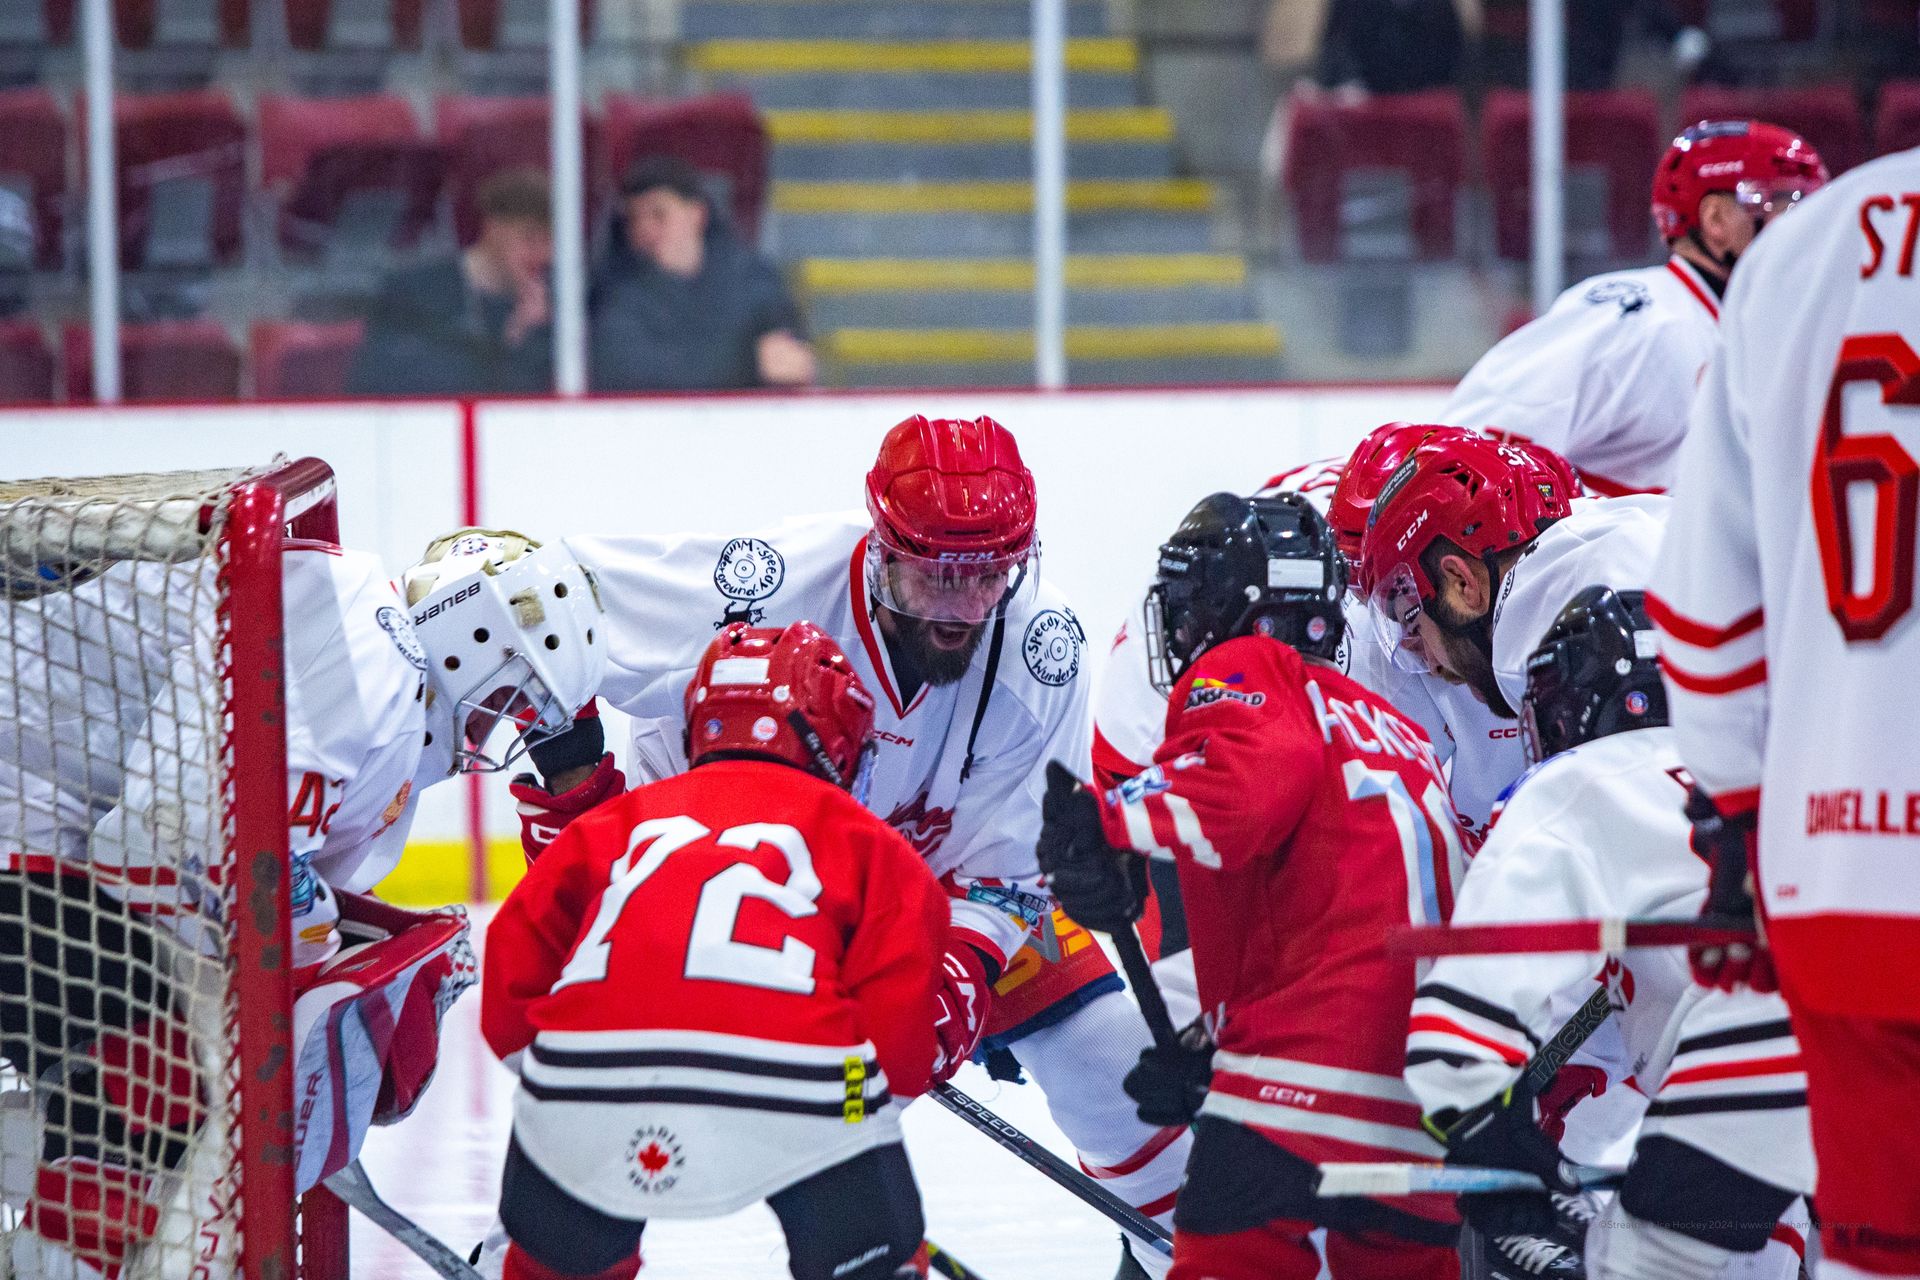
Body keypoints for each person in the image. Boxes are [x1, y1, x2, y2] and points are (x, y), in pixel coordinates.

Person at [488, 416, 1190, 1249]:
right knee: (624, 1092)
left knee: (1114, 1073)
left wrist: (959, 979)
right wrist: (574, 796)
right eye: (939, 574)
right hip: (708, 885)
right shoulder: (767, 583)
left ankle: (1177, 1256)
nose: (965, 606)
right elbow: (543, 606)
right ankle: (535, 1254)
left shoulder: (1042, 651)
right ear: (883, 549)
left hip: (921, 892)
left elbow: (1005, 874)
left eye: (990, 574)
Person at [0, 525, 606, 1276]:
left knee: (156, 1094)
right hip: (26, 831)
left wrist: (347, 978)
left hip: (41, 842)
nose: (499, 726)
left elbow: (243, 868)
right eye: (508, 698)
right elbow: (172, 842)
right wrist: (326, 976)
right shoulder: (364, 645)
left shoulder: (388, 687)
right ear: (468, 637)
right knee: (157, 1080)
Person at [1038, 491, 1467, 1280]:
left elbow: (1244, 790)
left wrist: (1109, 825)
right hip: (1425, 1117)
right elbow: (1337, 921)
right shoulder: (1398, 732)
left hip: (1301, 1093)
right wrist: (1213, 1051)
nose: (1178, 632)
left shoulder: (1247, 669)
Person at [483, 621, 948, 1280]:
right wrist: (853, 1114)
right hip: (804, 1086)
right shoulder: (871, 845)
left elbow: (511, 966)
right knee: (875, 1260)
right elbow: (894, 1048)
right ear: (838, 736)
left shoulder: (615, 823)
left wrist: (554, 1072)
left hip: (581, 1084)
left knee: (555, 1266)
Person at [1651, 143, 1920, 1280]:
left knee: (1878, 1249)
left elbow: (1703, 606)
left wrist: (1739, 825)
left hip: (1841, 874)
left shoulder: (1802, 246)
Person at [1405, 587, 1811, 1280]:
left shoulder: (1578, 781)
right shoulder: (1778, 772)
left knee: (1632, 1259)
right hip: (1873, 1050)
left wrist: (1485, 1137)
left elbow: (1468, 1010)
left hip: (1755, 1068)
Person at [1441, 121, 1827, 495]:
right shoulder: (1641, 319)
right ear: (1715, 219)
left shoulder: (1752, 333)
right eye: (1786, 205)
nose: (1808, 230)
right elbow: (1465, 461)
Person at [1358, 430, 1663, 723]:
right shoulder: (1629, 517)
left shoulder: (1530, 652)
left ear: (1462, 584)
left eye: (1414, 625)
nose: (1433, 666)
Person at [589, 155, 815, 392]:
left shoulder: (754, 282)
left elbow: (794, 360)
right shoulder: (614, 295)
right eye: (634, 219)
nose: (645, 229)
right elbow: (622, 370)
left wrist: (792, 364)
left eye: (659, 214)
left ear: (697, 214)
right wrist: (746, 364)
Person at [347, 168, 556, 396]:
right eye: (530, 237)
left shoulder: (557, 308)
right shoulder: (415, 291)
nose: (544, 254)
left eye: (551, 241)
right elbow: (375, 384)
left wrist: (530, 340)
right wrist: (509, 346)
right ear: (493, 229)